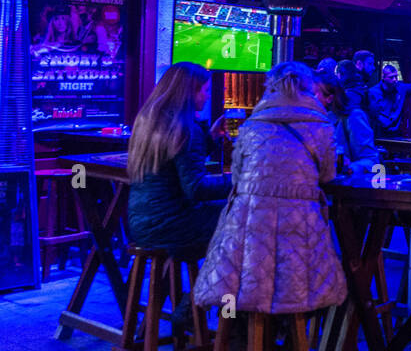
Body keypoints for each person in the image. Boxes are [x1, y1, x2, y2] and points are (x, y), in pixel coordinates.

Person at [192, 61, 347, 319]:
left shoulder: (251, 126)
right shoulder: (322, 127)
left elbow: (237, 178)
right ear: (308, 89)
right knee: (304, 283)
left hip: (246, 235)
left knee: (241, 274)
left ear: (271, 88)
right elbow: (328, 176)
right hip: (302, 234)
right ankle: (289, 334)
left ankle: (234, 327)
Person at [127, 62, 232, 252]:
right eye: (205, 90)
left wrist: (210, 139)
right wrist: (239, 180)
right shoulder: (186, 128)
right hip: (173, 225)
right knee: (246, 213)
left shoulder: (149, 120)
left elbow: (178, 164)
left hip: (141, 224)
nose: (208, 96)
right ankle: (229, 272)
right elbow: (197, 189)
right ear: (190, 92)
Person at [312, 72, 380, 174]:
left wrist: (350, 168)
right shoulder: (310, 120)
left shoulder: (353, 117)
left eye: (313, 93)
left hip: (344, 182)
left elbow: (372, 161)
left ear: (329, 98)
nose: (308, 98)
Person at [366, 62, 411, 137]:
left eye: (396, 76)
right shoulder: (373, 92)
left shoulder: (401, 88)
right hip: (379, 133)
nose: (395, 79)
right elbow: (373, 115)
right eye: (391, 77)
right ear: (383, 77)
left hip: (396, 132)